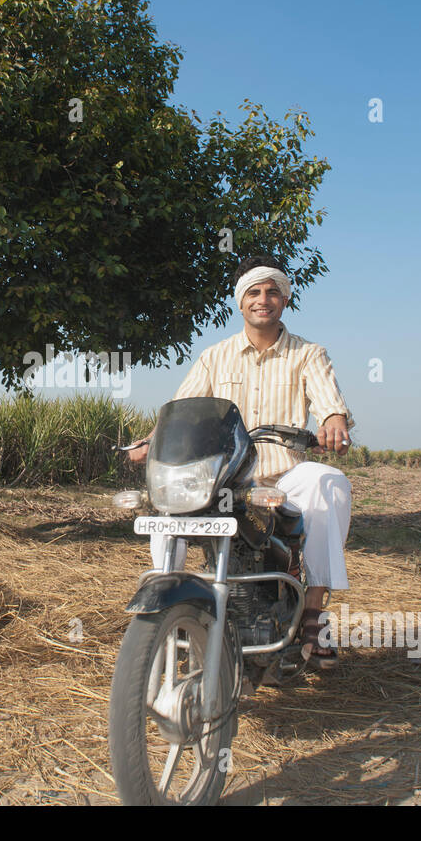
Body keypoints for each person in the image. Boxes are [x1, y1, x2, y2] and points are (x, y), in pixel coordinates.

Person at [127, 254, 354, 668]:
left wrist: (334, 421)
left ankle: (313, 615)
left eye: (272, 292)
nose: (262, 299)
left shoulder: (308, 354)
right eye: (254, 291)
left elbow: (329, 404)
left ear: (284, 300)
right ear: (240, 301)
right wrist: (150, 440)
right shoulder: (215, 356)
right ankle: (164, 603)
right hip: (225, 479)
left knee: (328, 481)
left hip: (284, 477)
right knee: (168, 498)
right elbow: (184, 408)